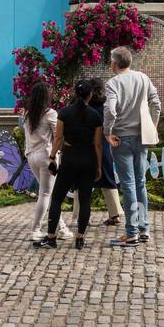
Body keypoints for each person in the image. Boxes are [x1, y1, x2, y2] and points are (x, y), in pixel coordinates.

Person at [102, 46, 162, 247]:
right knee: (140, 183)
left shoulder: (113, 83)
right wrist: (153, 125)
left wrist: (107, 132)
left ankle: (131, 233)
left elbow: (110, 110)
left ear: (115, 63)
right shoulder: (143, 78)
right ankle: (144, 229)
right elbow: (156, 103)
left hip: (121, 138)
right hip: (141, 136)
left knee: (128, 185)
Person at [34, 79, 103, 250]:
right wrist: (99, 166)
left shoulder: (64, 113)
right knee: (85, 200)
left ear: (75, 93)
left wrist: (52, 158)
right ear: (90, 95)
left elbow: (58, 138)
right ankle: (80, 238)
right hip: (88, 159)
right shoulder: (95, 116)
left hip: (70, 159)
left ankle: (51, 237)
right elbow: (97, 144)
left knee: (57, 198)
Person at [22, 81, 70, 243]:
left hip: (32, 157)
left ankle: (61, 227)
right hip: (46, 157)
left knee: (48, 194)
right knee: (46, 194)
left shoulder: (28, 115)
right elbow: (59, 135)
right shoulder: (50, 113)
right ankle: (36, 229)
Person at [88, 78, 124, 227]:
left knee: (82, 182)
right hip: (104, 146)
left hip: (86, 147)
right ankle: (115, 214)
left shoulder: (84, 107)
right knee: (108, 180)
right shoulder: (106, 107)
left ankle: (81, 216)